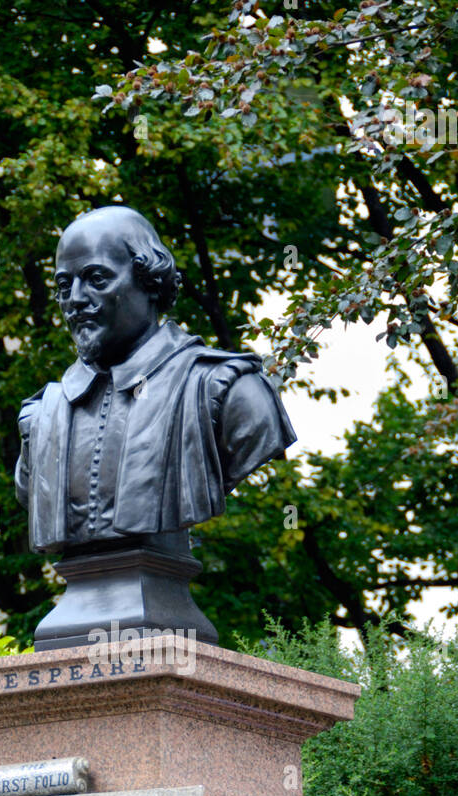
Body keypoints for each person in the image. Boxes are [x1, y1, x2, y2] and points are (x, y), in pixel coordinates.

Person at [15, 204, 296, 559]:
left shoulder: (228, 391)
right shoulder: (41, 419)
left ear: (150, 280)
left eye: (97, 279)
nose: (75, 300)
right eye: (63, 285)